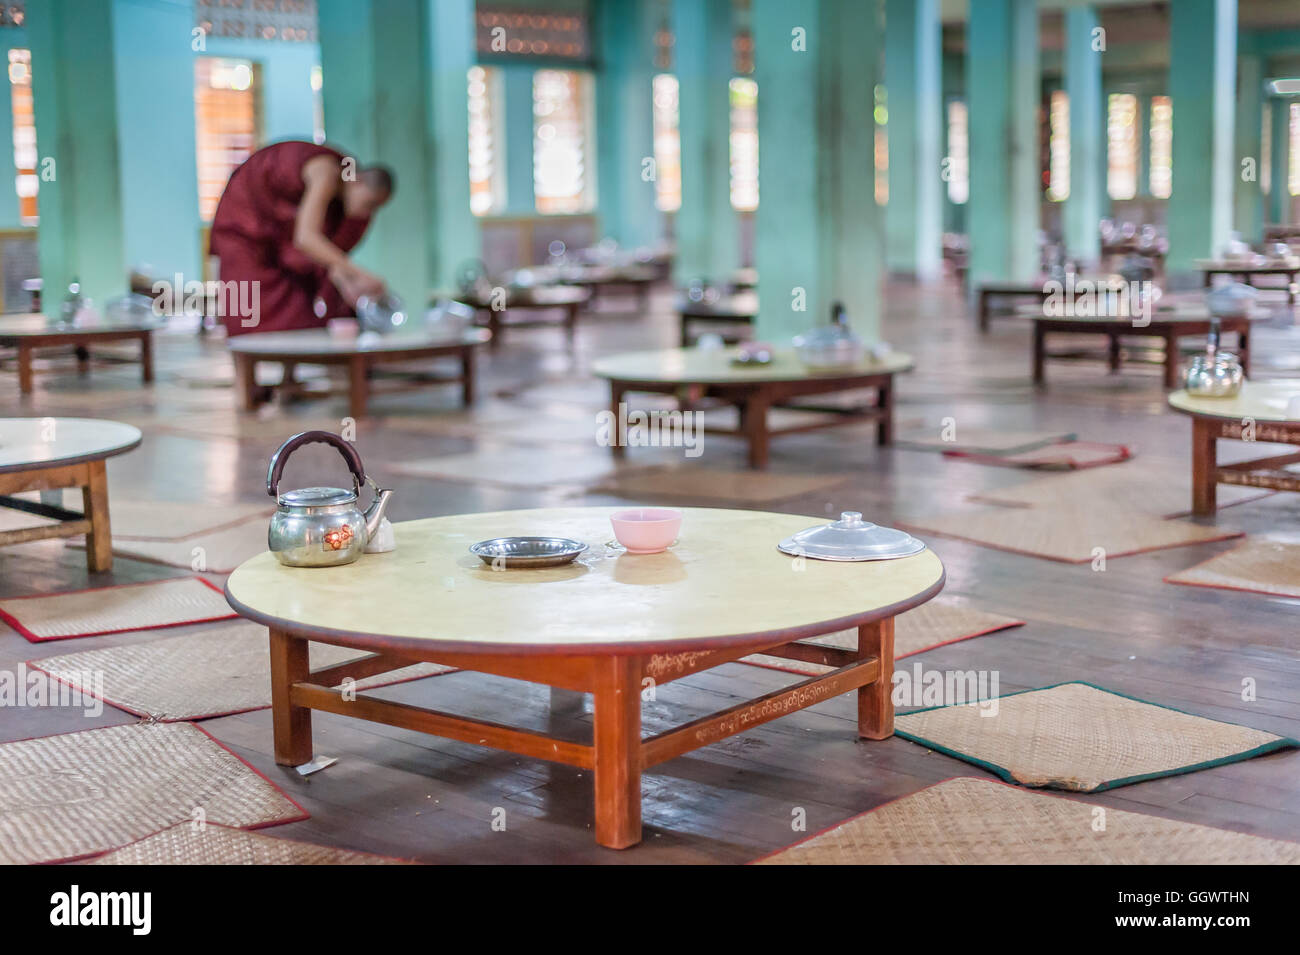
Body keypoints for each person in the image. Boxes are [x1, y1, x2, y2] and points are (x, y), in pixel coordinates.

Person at [209, 140, 393, 336]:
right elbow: (305, 238)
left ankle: (293, 366)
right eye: (370, 203)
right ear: (357, 181)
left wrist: (349, 285)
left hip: (281, 244)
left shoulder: (340, 205)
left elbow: (326, 260)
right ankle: (244, 366)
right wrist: (360, 273)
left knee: (297, 316)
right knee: (245, 317)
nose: (368, 213)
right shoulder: (326, 172)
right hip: (246, 229)